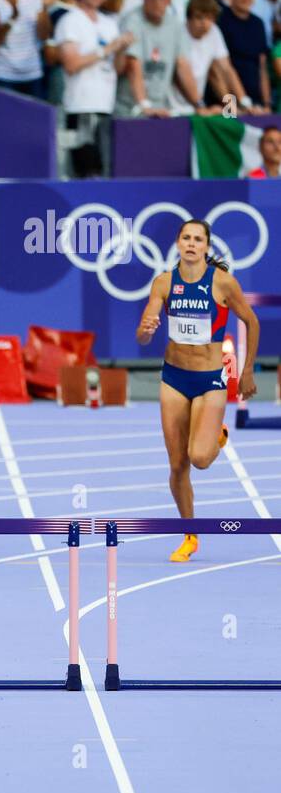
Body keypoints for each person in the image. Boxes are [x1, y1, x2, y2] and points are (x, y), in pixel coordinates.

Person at [135, 219, 258, 561]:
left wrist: (246, 370)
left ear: (206, 246)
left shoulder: (221, 282)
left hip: (209, 381)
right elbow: (143, 335)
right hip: (174, 378)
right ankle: (190, 536)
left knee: (200, 458)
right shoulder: (163, 283)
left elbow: (251, 320)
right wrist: (146, 329)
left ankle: (216, 434)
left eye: (198, 239)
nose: (191, 244)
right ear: (178, 243)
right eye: (186, 238)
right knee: (177, 466)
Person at [55, 0, 134, 176]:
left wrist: (120, 51)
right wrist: (108, 49)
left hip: (106, 105)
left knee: (105, 170)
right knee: (86, 173)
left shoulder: (110, 23)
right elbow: (71, 64)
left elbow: (117, 69)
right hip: (81, 106)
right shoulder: (69, 21)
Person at [115, 0, 199, 115]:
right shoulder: (132, 21)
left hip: (159, 106)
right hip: (130, 107)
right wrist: (144, 105)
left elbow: (183, 66)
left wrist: (198, 104)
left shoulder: (175, 25)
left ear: (169, 0)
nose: (157, 3)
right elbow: (132, 65)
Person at [218, 0, 272, 110]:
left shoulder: (258, 24)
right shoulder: (220, 21)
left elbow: (262, 66)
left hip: (256, 104)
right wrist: (231, 107)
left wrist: (266, 104)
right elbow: (220, 69)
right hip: (228, 104)